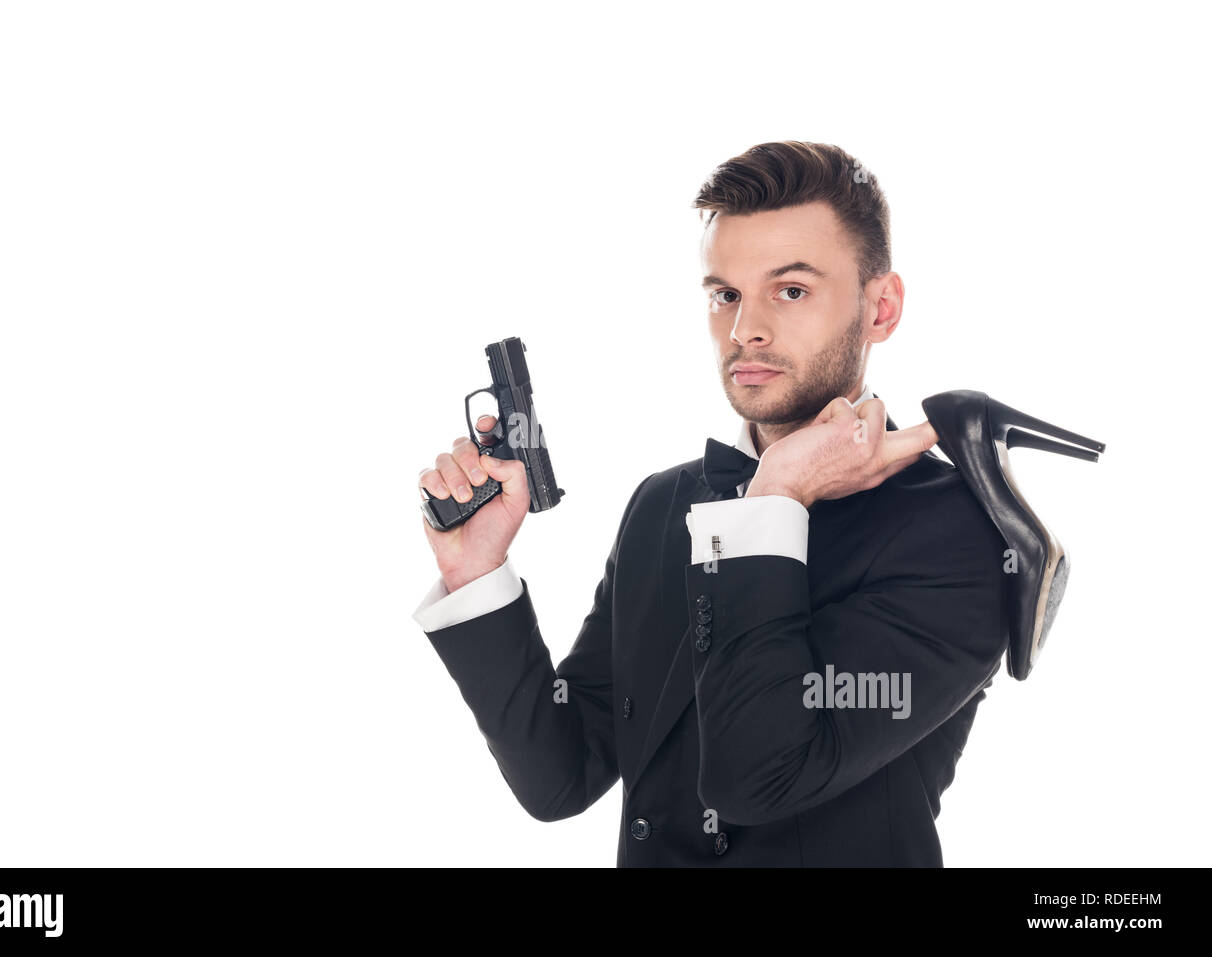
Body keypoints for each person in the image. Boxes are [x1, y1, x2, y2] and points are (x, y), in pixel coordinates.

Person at [412, 141, 1008, 866]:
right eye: (724, 293)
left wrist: (777, 496)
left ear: (880, 308)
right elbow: (561, 775)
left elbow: (759, 776)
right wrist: (478, 576)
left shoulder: (954, 533)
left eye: (790, 290)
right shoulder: (664, 504)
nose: (743, 330)